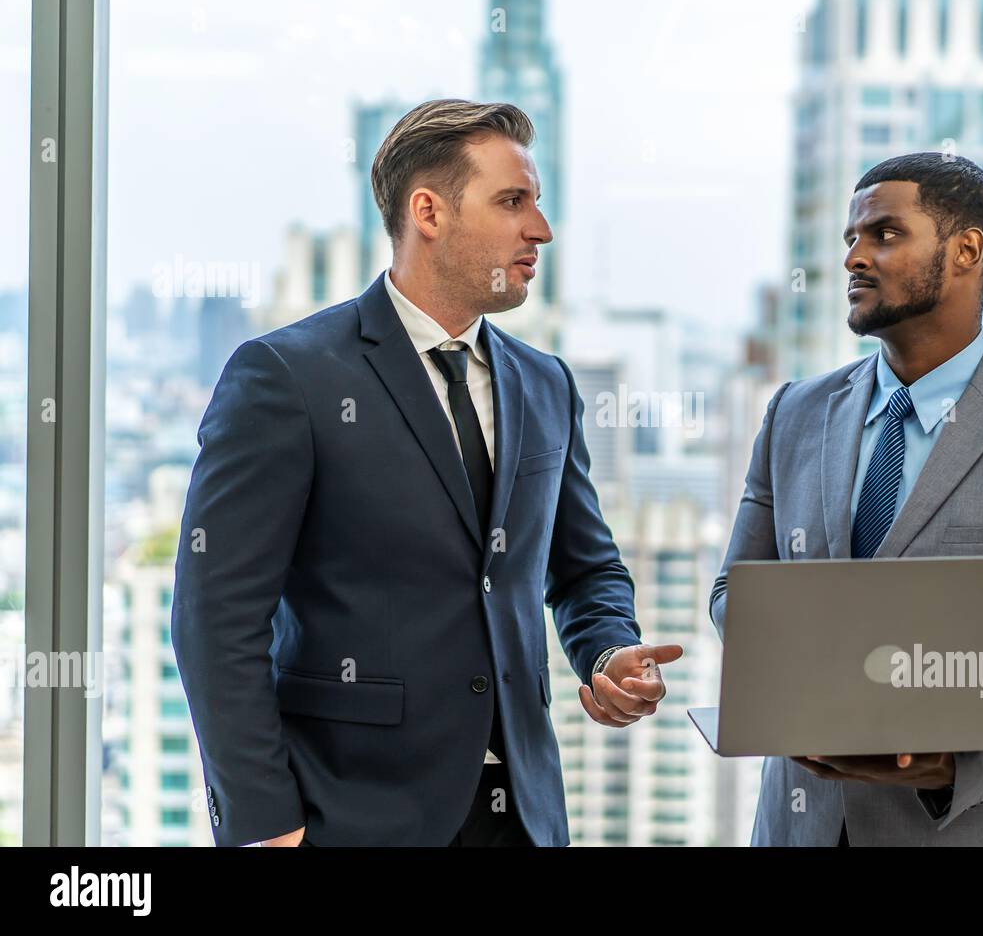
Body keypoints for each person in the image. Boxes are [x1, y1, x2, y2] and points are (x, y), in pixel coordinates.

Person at [172, 99, 682, 847]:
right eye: (513, 202)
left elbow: (583, 569)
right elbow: (214, 620)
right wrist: (267, 823)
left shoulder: (546, 385)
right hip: (346, 817)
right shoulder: (286, 376)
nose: (540, 230)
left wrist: (608, 651)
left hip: (524, 817)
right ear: (429, 212)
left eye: (537, 204)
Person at [711, 152, 983, 846]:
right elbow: (735, 588)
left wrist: (952, 764)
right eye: (850, 239)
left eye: (884, 234)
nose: (855, 257)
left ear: (966, 250)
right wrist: (824, 674)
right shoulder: (794, 413)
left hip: (974, 827)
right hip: (803, 823)